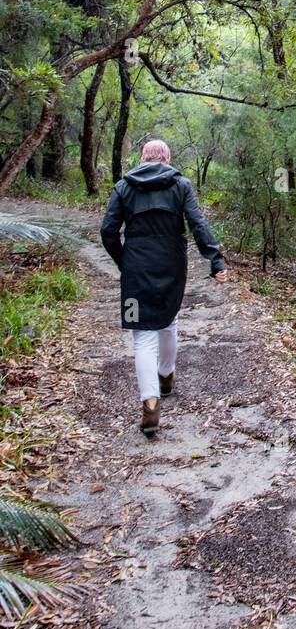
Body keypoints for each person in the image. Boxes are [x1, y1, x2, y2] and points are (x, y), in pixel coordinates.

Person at [100, 139, 226, 436]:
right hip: (172, 265)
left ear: (142, 158)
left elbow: (108, 232)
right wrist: (215, 260)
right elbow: (197, 223)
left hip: (136, 268)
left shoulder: (124, 187)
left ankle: (151, 402)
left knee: (142, 335)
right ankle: (166, 375)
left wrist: (124, 261)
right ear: (166, 159)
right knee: (169, 320)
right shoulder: (181, 185)